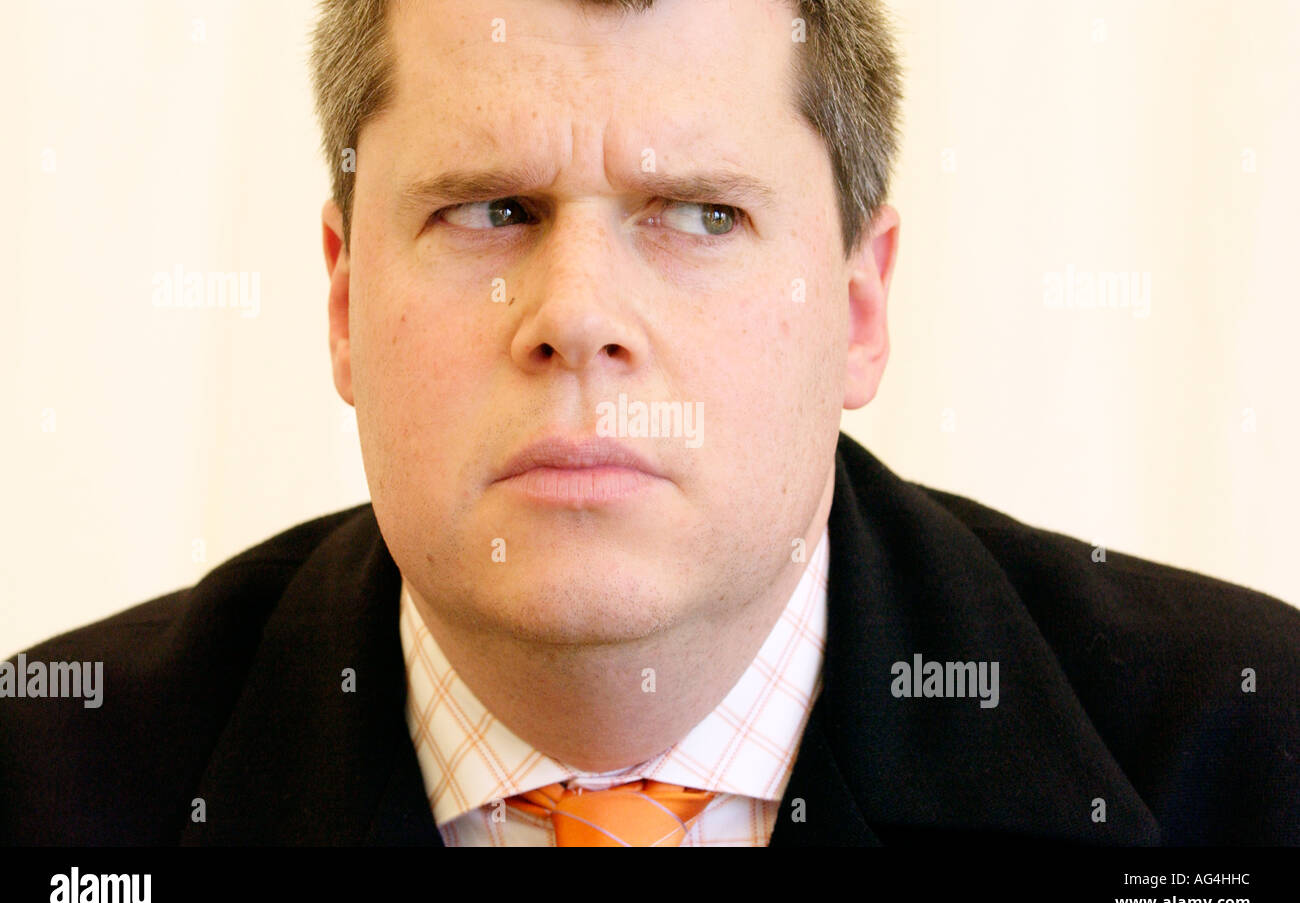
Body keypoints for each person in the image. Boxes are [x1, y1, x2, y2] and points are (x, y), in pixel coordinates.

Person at [3, 0, 1297, 847]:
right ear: (343, 300)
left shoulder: (1251, 757)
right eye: (491, 210)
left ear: (857, 306)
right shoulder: (48, 780)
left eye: (697, 213)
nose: (575, 313)